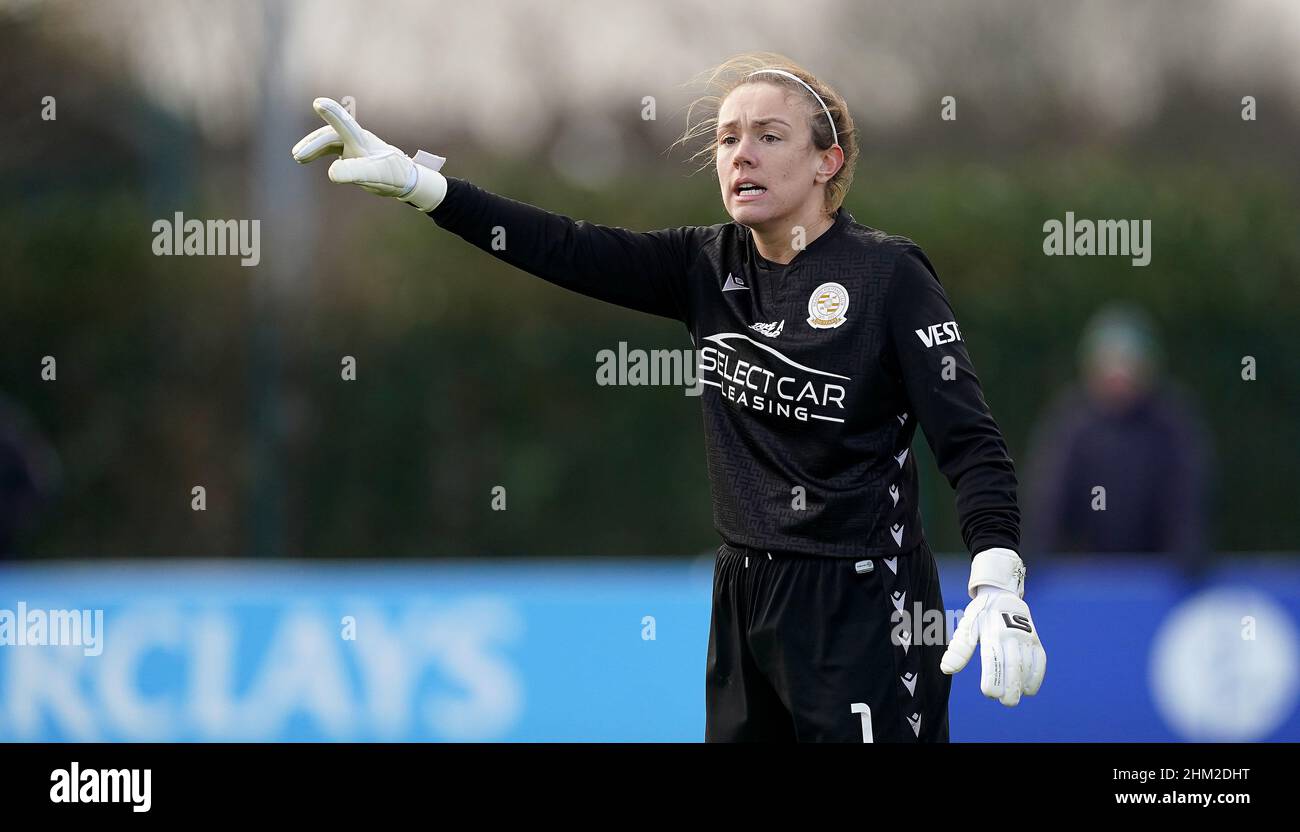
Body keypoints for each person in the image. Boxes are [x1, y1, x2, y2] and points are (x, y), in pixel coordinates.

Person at [292, 52, 1046, 742]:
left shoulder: (889, 276)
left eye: (769, 136)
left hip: (863, 600)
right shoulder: (702, 266)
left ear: (828, 162)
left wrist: (997, 579)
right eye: (726, 139)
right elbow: (559, 244)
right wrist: (424, 187)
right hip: (744, 596)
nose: (740, 153)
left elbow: (972, 444)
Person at [1024, 304, 1211, 564]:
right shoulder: (1072, 424)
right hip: (1088, 569)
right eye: (1109, 364)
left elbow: (1185, 495)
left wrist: (1187, 548)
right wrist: (1037, 551)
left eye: (1129, 364)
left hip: (1156, 570)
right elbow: (1049, 495)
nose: (1119, 377)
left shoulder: (1170, 423)